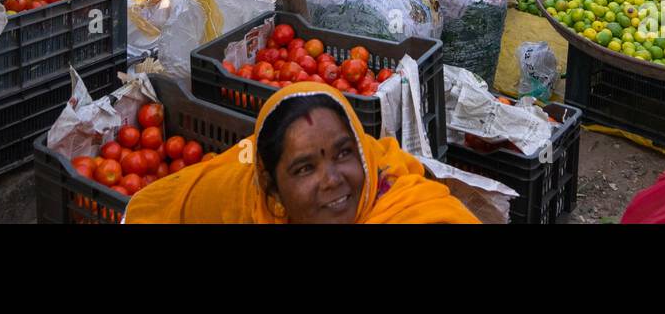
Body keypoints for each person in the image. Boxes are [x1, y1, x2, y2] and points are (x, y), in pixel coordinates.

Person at [124, 83, 478, 224]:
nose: (332, 180)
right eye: (304, 168)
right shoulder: (238, 198)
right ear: (271, 187)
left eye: (343, 154)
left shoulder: (409, 210)